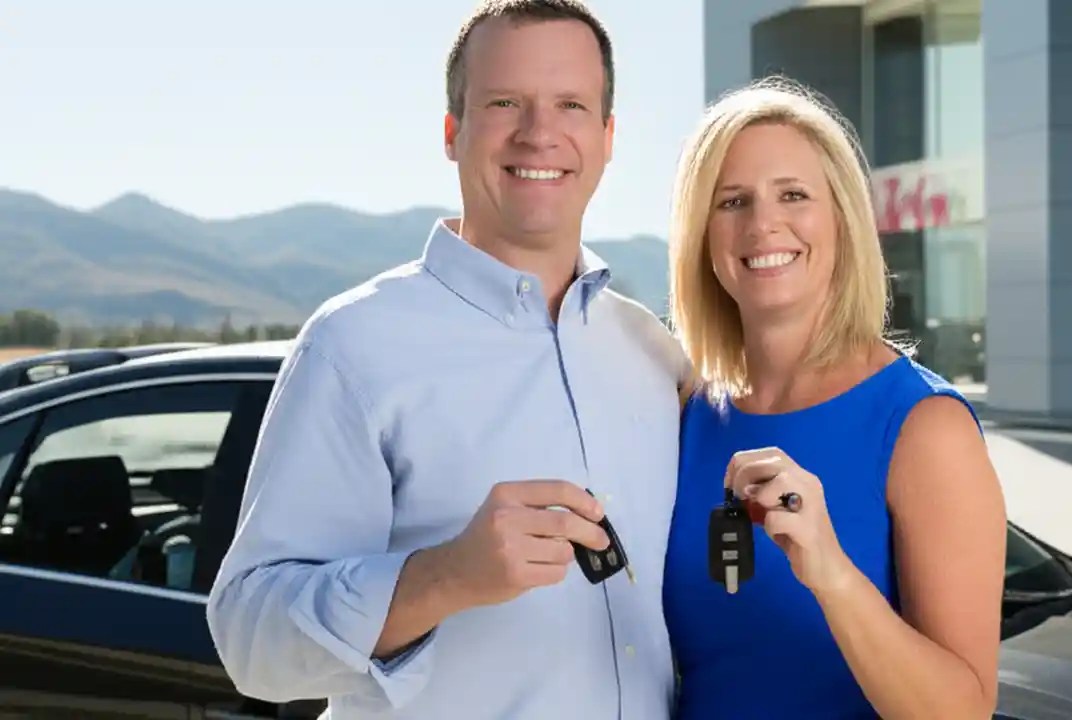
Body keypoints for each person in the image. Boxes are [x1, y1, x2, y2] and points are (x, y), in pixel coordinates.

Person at [206, 2, 688, 718]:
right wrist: (443, 579)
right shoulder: (352, 345)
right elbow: (250, 644)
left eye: (571, 105)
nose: (539, 132)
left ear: (608, 135)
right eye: (504, 103)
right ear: (451, 131)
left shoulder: (652, 352)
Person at [661, 77, 1007, 719]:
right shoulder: (688, 413)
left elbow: (963, 712)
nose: (764, 224)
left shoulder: (924, 427)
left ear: (843, 220)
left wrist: (833, 575)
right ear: (701, 237)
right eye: (731, 201)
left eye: (793, 194)